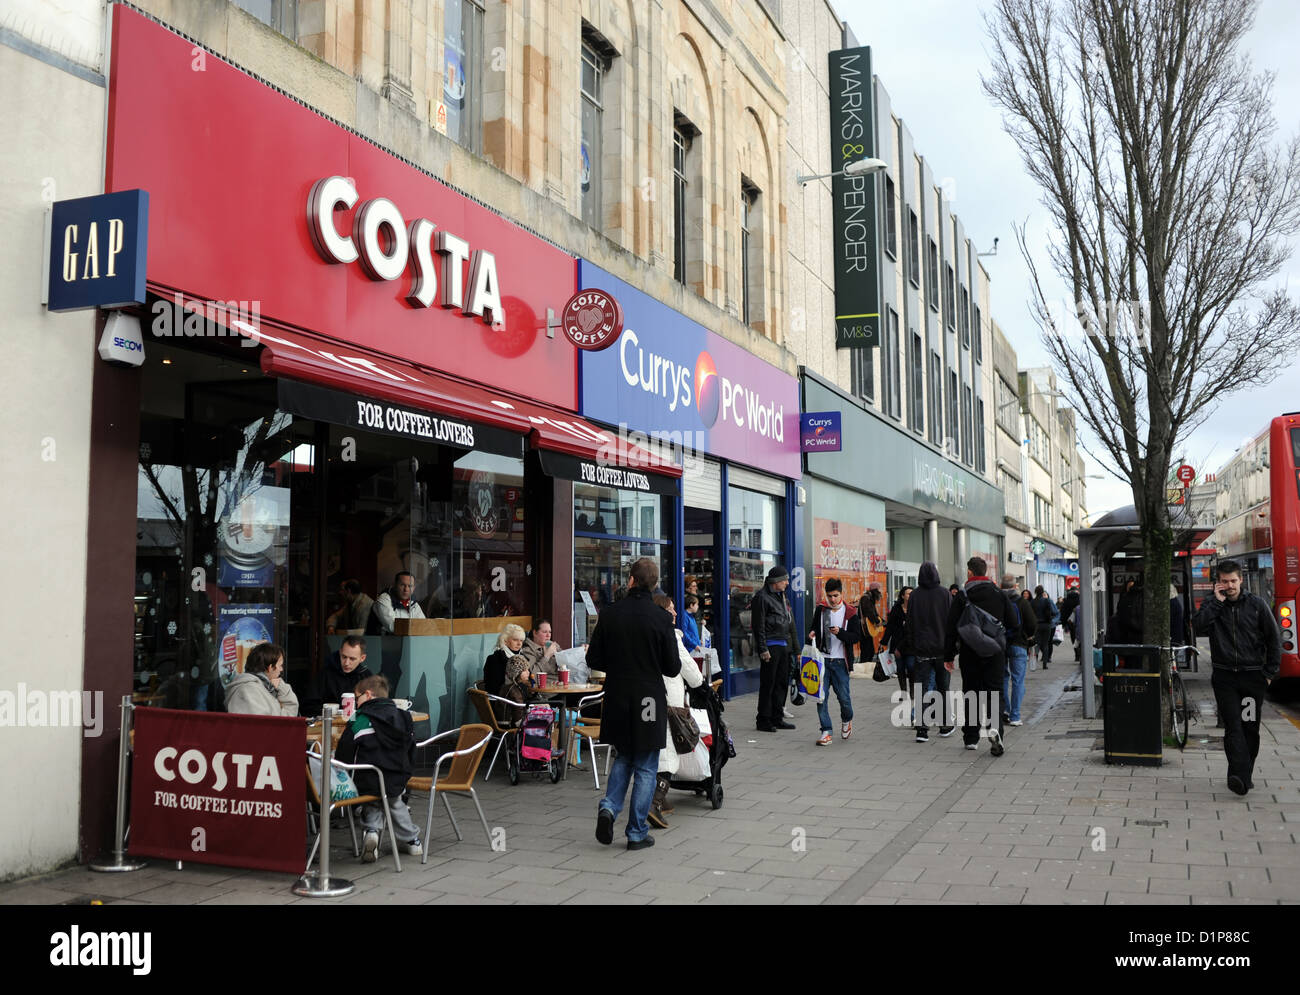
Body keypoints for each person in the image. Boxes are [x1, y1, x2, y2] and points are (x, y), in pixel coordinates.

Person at [591, 557, 682, 850]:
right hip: (648, 698)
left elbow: (593, 659)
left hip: (618, 694)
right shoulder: (660, 619)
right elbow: (672, 667)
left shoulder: (610, 613)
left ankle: (608, 808)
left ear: (630, 580)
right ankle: (636, 831)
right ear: (654, 584)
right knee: (645, 764)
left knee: (624, 755)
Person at [1191, 559, 1281, 796]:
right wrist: (1217, 603)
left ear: (1241, 580)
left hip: (1252, 679)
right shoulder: (1212, 604)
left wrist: (1269, 674)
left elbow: (1274, 640)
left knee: (1249, 727)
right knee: (1233, 726)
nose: (1229, 585)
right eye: (1224, 581)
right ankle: (1237, 776)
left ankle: (1243, 775)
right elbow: (1198, 627)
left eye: (1233, 581)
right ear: (1217, 583)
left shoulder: (1257, 605)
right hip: (1225, 678)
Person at [335, 674, 423, 861]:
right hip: (396, 777)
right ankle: (412, 841)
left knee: (373, 798)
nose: (357, 703)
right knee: (394, 801)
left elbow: (345, 750)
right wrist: (406, 773)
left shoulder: (359, 718)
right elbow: (411, 750)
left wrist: (345, 771)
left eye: (357, 698)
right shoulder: (404, 717)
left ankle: (372, 831)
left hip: (367, 778)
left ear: (367, 695)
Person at [945, 557, 1018, 755]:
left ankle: (971, 737)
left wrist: (949, 655)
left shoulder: (962, 595)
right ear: (985, 572)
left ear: (970, 572)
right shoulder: (999, 594)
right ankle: (996, 731)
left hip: (970, 652)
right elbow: (1013, 622)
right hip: (995, 652)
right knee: (995, 692)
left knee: (971, 692)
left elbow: (951, 627)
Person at [649, 593, 704, 829]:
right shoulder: (670, 635)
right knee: (667, 751)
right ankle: (655, 803)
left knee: (652, 748)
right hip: (669, 700)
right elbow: (687, 666)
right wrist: (701, 683)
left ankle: (660, 799)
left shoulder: (646, 634)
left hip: (646, 698)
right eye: (670, 609)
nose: (674, 613)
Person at [807, 577, 859, 746]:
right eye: (829, 596)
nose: (832, 599)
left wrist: (840, 633)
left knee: (844, 698)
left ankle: (847, 719)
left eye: (835, 595)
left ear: (841, 594)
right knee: (821, 697)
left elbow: (855, 637)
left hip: (839, 662)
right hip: (821, 661)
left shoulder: (850, 612)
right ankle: (826, 731)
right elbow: (813, 627)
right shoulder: (821, 610)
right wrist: (812, 634)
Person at [750, 565, 800, 732]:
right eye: (784, 580)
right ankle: (763, 720)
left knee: (781, 683)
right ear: (775, 581)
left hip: (783, 645)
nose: (787, 582)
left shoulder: (782, 596)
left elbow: (789, 623)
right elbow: (759, 626)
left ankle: (777, 718)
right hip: (771, 646)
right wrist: (763, 649)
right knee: (768, 684)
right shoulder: (761, 598)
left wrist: (795, 648)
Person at [910, 563, 953, 742]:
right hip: (942, 650)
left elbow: (910, 623)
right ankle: (944, 725)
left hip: (922, 650)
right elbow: (952, 622)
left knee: (921, 688)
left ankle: (922, 729)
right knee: (943, 688)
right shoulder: (945, 594)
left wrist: (914, 644)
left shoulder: (914, 595)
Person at [225, 642, 299, 716]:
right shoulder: (248, 690)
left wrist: (281, 686)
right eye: (280, 665)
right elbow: (264, 724)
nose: (282, 669)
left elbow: (289, 715)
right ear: (270, 668)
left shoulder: (266, 687)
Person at [1001, 576, 1032, 726]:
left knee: (1003, 678)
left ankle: (1005, 710)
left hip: (1000, 644)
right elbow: (1032, 623)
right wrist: (1027, 636)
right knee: (1018, 680)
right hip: (1019, 644)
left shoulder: (998, 600)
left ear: (1001, 585)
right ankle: (1015, 716)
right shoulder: (1022, 602)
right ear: (1015, 586)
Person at [315, 636, 373, 714]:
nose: (346, 663)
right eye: (344, 657)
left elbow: (375, 707)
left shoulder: (367, 677)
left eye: (352, 659)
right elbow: (309, 706)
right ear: (340, 652)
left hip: (358, 723)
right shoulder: (326, 674)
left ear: (362, 658)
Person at [884, 586, 915, 698]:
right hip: (898, 644)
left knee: (911, 666)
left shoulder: (915, 609)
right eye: (908, 594)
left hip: (911, 643)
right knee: (900, 668)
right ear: (902, 596)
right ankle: (903, 692)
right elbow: (890, 627)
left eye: (912, 593)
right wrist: (884, 641)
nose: (910, 596)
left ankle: (912, 690)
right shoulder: (896, 609)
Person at [484, 623, 526, 700]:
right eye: (515, 640)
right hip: (503, 704)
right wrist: (519, 678)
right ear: (505, 640)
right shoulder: (494, 659)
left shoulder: (522, 658)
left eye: (521, 640)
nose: (519, 643)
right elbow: (494, 688)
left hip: (520, 701)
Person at [1032, 585, 1059, 669]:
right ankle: (1045, 663)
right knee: (1046, 644)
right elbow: (1054, 612)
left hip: (1036, 625)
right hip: (1046, 624)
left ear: (1035, 592)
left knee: (1037, 643)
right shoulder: (1047, 601)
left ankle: (1034, 662)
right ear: (1042, 591)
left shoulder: (1032, 602)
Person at [1020, 589, 1037, 668]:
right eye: (1024, 594)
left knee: (1030, 640)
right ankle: (1027, 653)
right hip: (1023, 624)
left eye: (1027, 594)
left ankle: (1032, 654)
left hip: (1030, 624)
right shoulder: (1020, 602)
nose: (1025, 595)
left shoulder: (1031, 602)